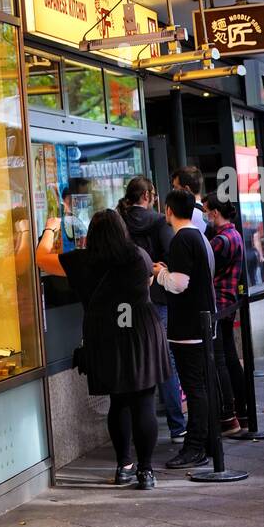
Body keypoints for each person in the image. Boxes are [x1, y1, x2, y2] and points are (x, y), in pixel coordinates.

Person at [36, 208, 171, 490]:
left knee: (118, 401)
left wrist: (50, 228)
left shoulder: (81, 260)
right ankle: (146, 472)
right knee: (143, 402)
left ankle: (124, 466)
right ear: (122, 230)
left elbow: (41, 258)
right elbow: (148, 282)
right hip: (140, 332)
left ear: (93, 234)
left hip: (106, 335)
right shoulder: (138, 256)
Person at [118, 176, 187, 445]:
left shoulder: (119, 220)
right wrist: (160, 270)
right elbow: (174, 255)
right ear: (147, 196)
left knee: (131, 359)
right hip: (156, 298)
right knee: (164, 358)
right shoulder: (159, 222)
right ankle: (177, 426)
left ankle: (134, 427)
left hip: (125, 301)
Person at [153, 188, 216, 469]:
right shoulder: (198, 237)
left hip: (188, 328)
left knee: (194, 388)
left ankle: (195, 447)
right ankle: (207, 442)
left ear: (169, 210)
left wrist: (159, 273)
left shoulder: (181, 240)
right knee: (200, 386)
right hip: (201, 324)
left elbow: (179, 284)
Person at [204, 191, 247, 435]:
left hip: (218, 304)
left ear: (214, 212)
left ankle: (228, 417)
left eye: (205, 210)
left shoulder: (220, 240)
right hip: (228, 303)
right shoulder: (234, 234)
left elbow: (202, 264)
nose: (203, 215)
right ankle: (243, 411)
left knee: (220, 359)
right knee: (230, 357)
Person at [171, 165, 208, 234]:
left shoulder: (187, 215)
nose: (173, 191)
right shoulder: (207, 211)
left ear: (186, 189)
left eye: (176, 187)